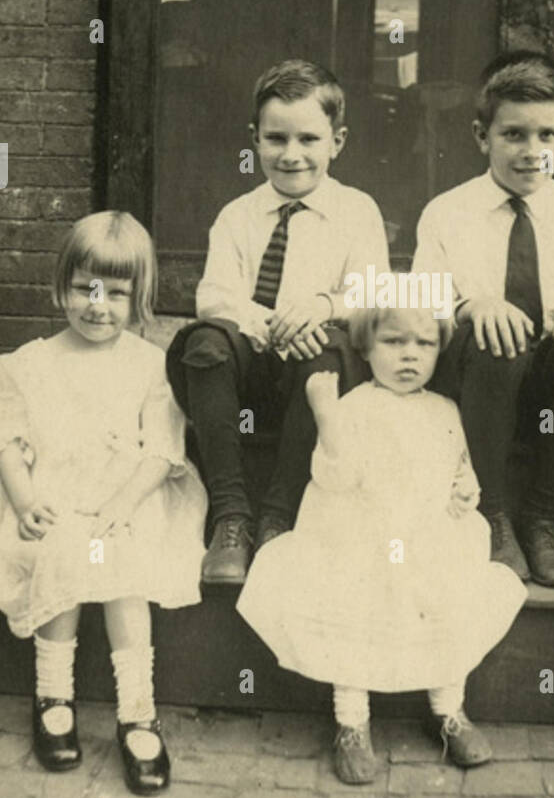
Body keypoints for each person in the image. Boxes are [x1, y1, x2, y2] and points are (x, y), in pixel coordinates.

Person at [0, 212, 206, 795]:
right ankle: (53, 696)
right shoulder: (28, 363)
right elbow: (7, 444)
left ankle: (137, 712)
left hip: (125, 499)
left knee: (123, 571)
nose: (99, 306)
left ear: (139, 298)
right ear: (61, 285)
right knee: (62, 551)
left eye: (117, 294)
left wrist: (123, 502)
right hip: (53, 496)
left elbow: (161, 451)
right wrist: (24, 501)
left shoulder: (149, 366)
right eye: (85, 288)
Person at [236, 304, 527, 785]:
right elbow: (335, 474)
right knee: (354, 605)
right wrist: (325, 414)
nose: (409, 355)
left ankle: (447, 709)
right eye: (394, 342)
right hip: (360, 537)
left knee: (448, 596)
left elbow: (459, 467)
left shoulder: (445, 409)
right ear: (366, 348)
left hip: (428, 537)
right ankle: (352, 719)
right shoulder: (355, 406)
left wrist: (464, 490)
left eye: (424, 343)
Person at [412, 50, 554, 587]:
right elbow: (419, 306)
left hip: (548, 391)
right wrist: (471, 306)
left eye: (546, 136)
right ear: (481, 135)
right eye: (513, 135)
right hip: (477, 381)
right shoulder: (448, 212)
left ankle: (540, 513)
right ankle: (491, 513)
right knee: (498, 333)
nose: (532, 152)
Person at [166, 60, 389, 584]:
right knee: (204, 343)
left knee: (329, 351)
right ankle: (231, 517)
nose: (292, 155)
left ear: (337, 141)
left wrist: (322, 305)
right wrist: (273, 323)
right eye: (276, 139)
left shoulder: (358, 212)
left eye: (309, 139)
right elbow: (216, 297)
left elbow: (373, 292)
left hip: (311, 375)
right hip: (247, 370)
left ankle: (278, 518)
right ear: (255, 140)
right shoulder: (236, 216)